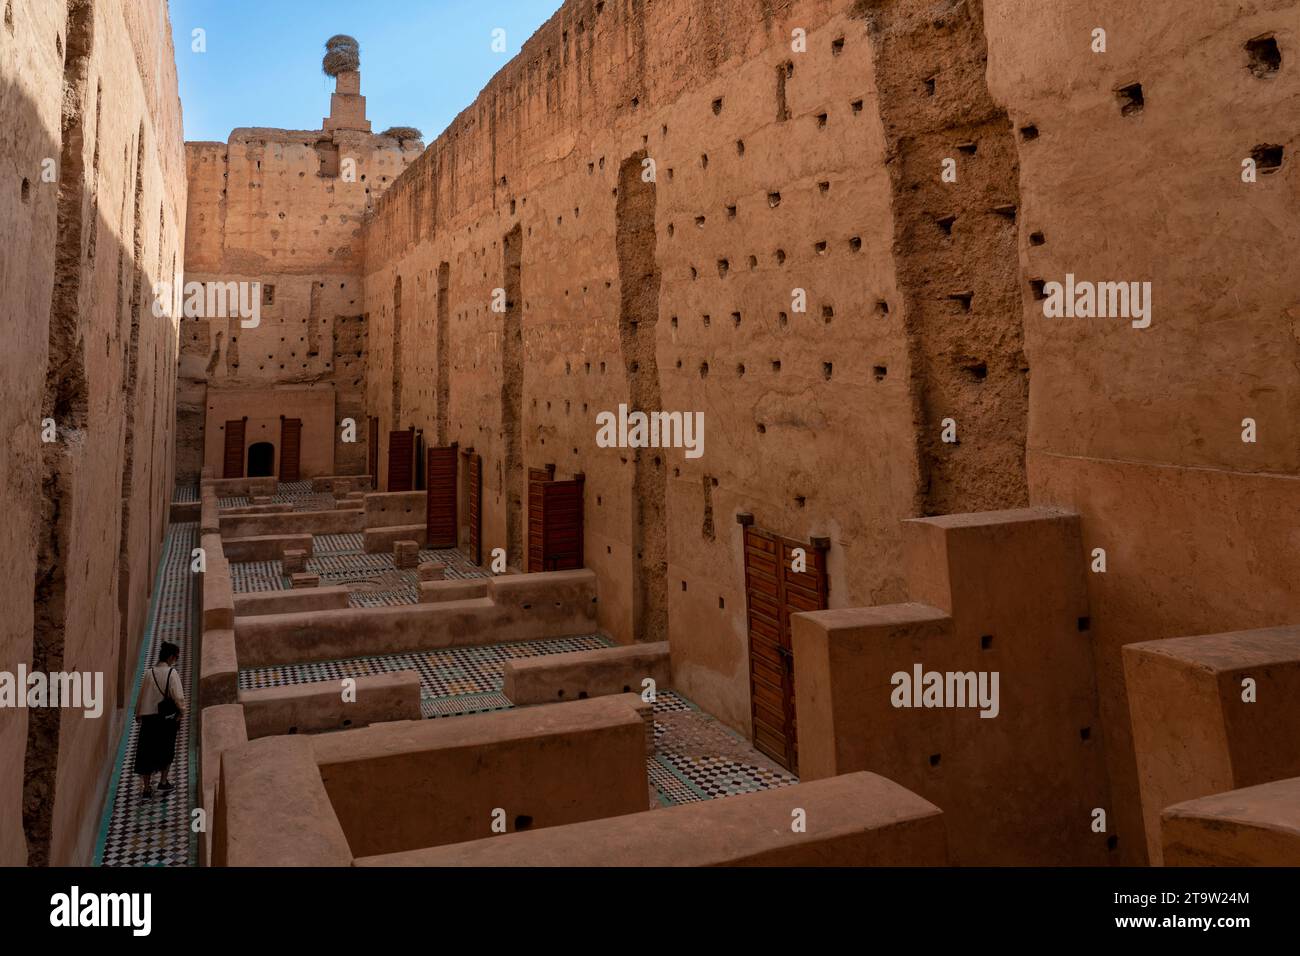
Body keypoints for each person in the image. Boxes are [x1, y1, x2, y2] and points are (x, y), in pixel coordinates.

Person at [134, 641, 186, 800]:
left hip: (149, 720)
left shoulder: (149, 673)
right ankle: (163, 781)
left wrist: (138, 714)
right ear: (170, 657)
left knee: (146, 753)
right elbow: (178, 697)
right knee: (166, 750)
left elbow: (142, 695)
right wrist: (181, 712)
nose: (175, 660)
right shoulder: (172, 673)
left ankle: (147, 789)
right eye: (176, 657)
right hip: (165, 720)